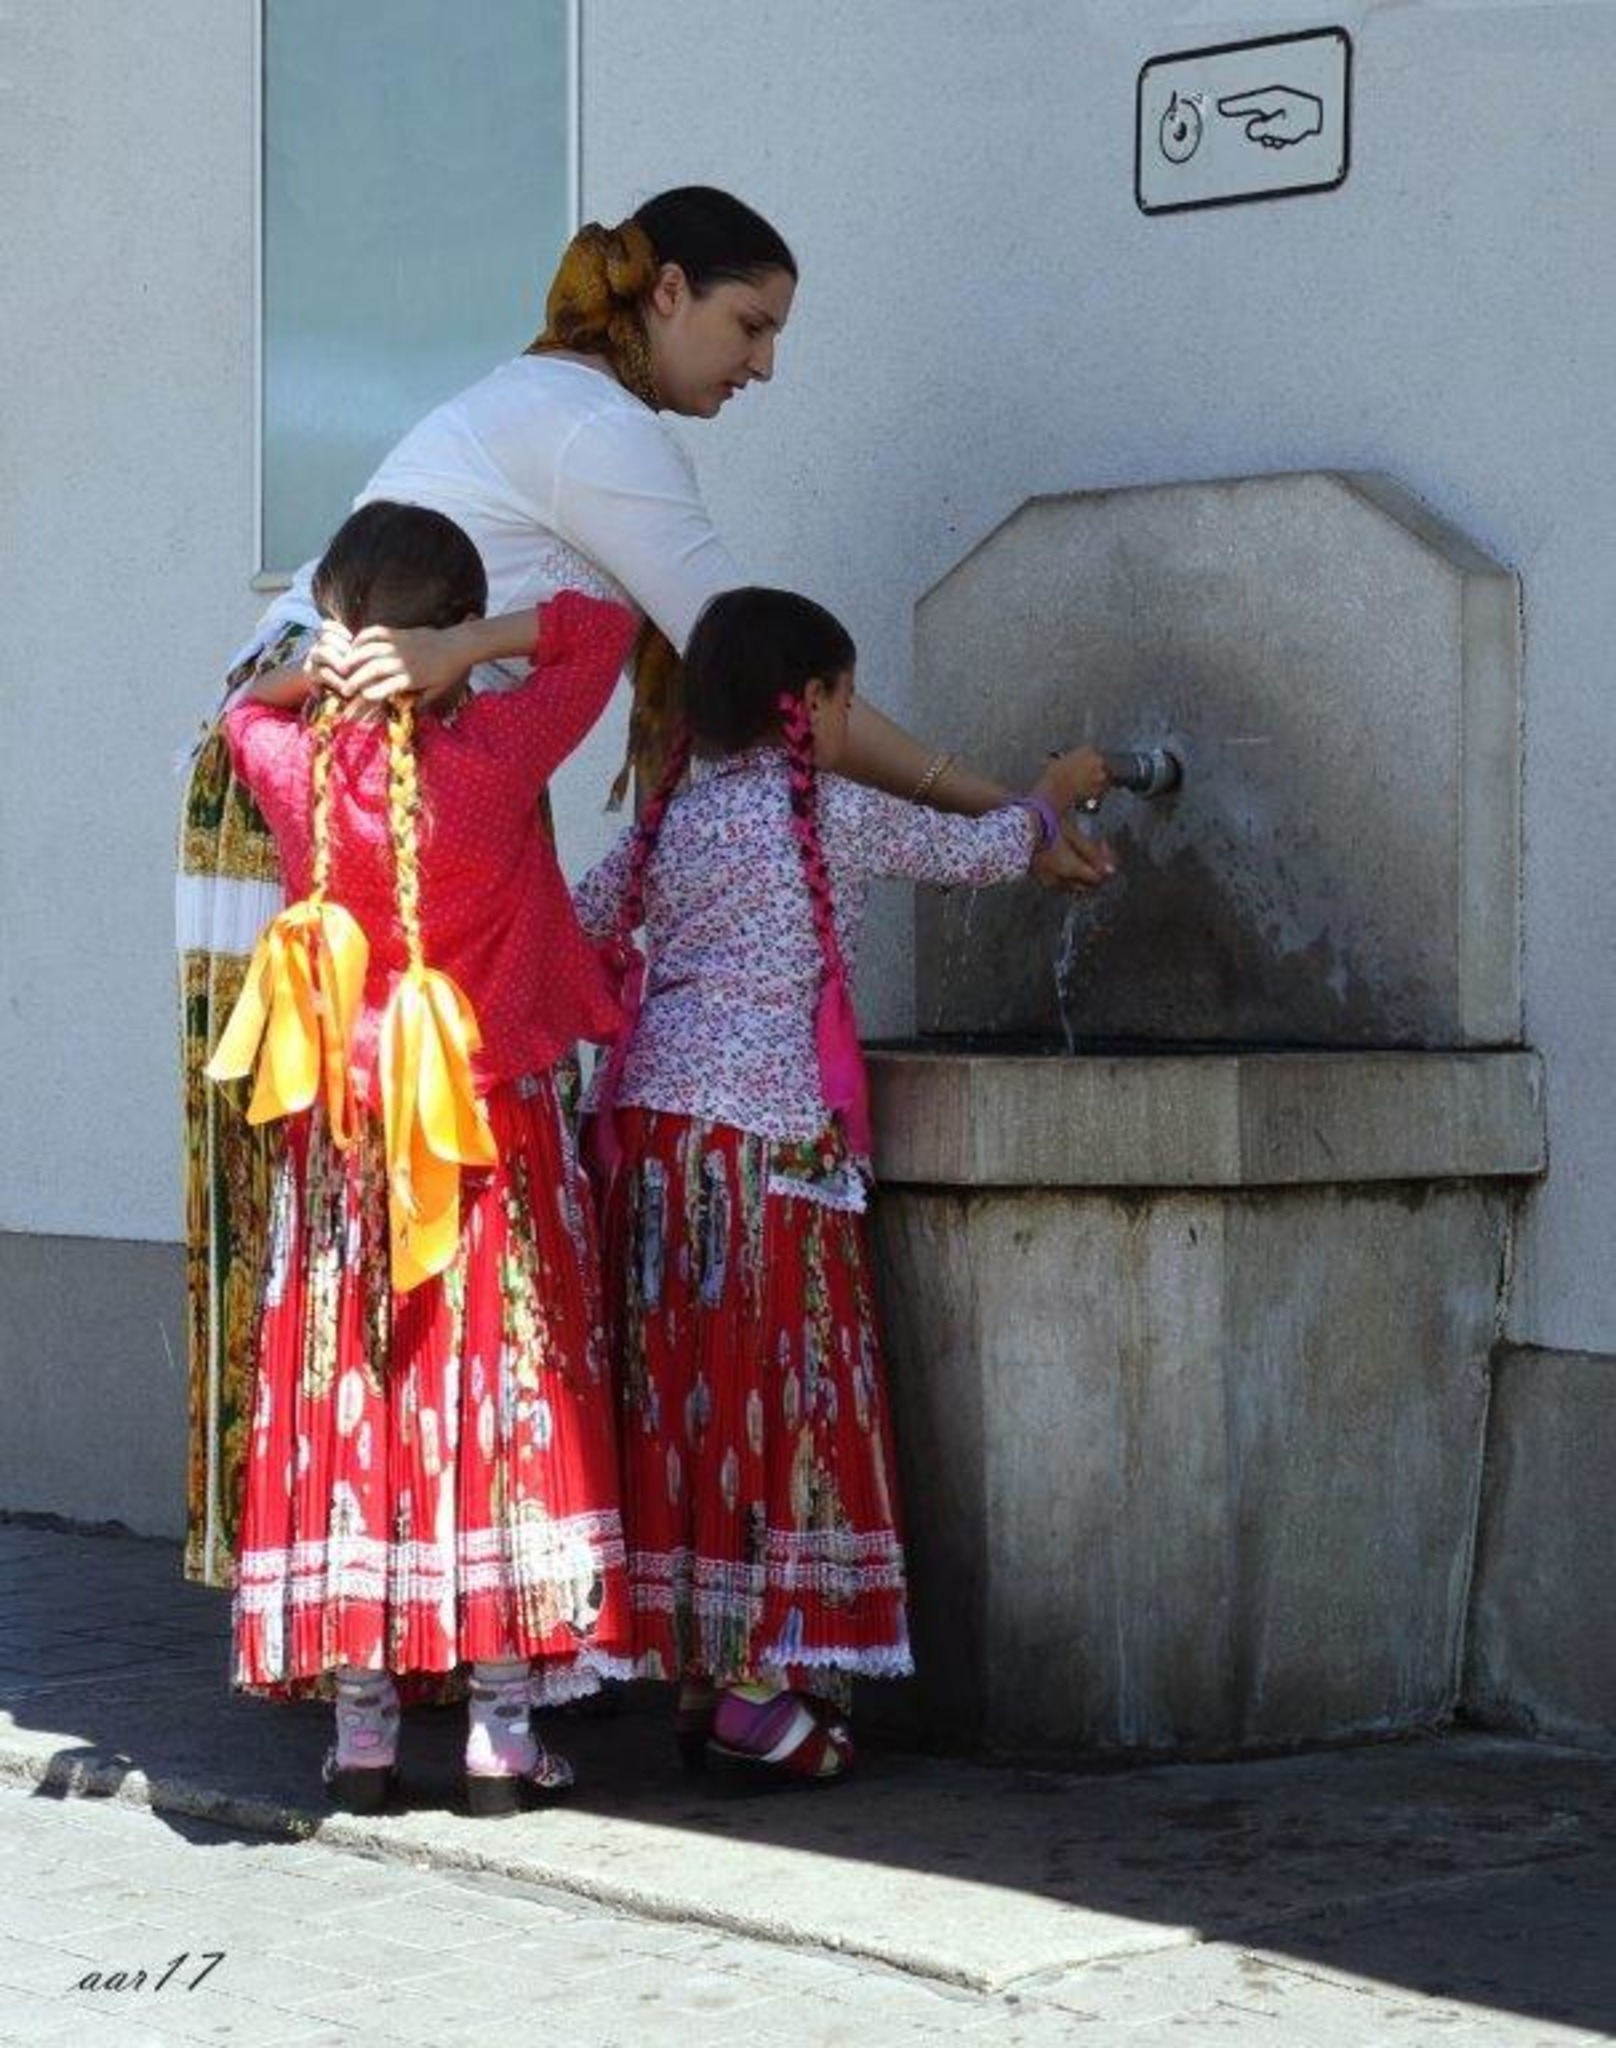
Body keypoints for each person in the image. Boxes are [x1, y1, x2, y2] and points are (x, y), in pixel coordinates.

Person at [178, 184, 1112, 1592]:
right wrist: (999, 803)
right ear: (665, 291)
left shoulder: (548, 412)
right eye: (749, 324)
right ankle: (419, 1595)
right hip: (346, 776)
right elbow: (758, 673)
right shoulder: (597, 430)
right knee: (420, 1227)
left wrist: (451, 659)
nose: (764, 365)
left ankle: (367, 1600)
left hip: (315, 761)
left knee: (344, 1223)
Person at [572, 587, 1112, 1784]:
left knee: (687, 1402)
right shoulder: (827, 810)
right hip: (771, 1158)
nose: (849, 716)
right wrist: (1051, 789)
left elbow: (575, 921)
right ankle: (756, 1687)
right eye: (846, 697)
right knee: (781, 1397)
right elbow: (979, 853)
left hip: (656, 1148)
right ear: (805, 703)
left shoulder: (670, 822)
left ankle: (703, 1670)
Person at [212, 501, 639, 1813]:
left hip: (350, 1150)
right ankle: (503, 1734)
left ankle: (361, 1735)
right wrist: (475, 648)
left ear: (344, 627)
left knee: (363, 1402)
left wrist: (311, 667)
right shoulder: (501, 750)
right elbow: (606, 631)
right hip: (488, 1142)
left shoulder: (295, 766)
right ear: (442, 636)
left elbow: (234, 710)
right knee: (498, 1405)